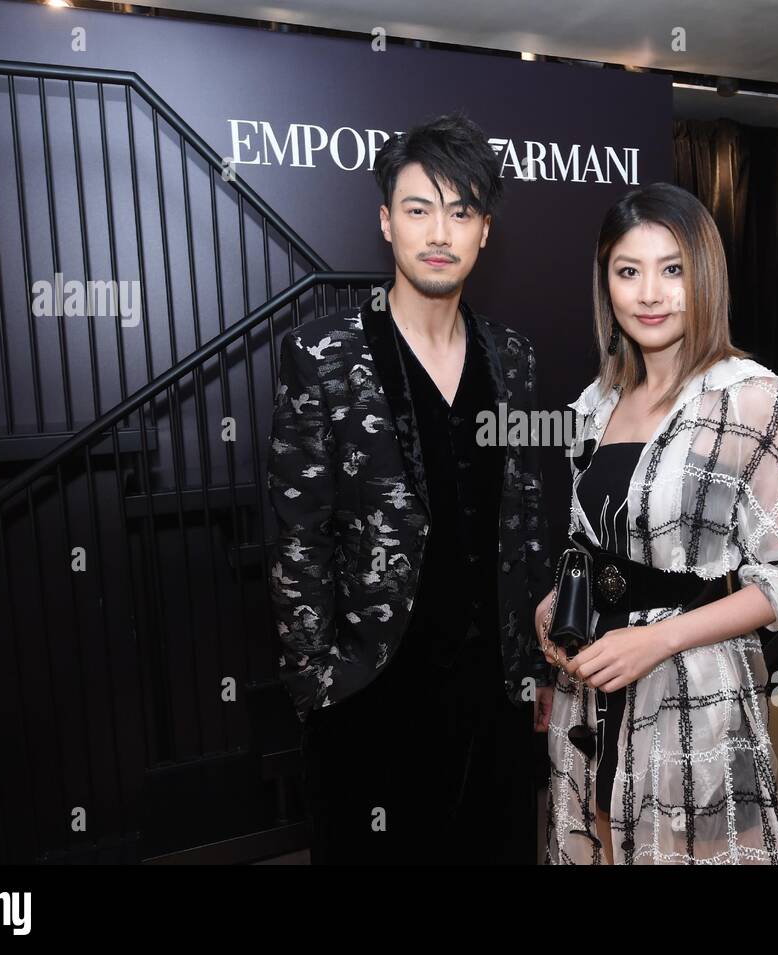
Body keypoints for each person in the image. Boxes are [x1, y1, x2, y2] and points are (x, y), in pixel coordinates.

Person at [267, 112, 554, 864]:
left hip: (494, 693)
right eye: (419, 208)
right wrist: (321, 685)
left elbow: (524, 520)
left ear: (484, 230)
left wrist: (532, 670)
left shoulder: (513, 359)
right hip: (372, 693)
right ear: (386, 220)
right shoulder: (324, 352)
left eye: (460, 212)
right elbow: (298, 536)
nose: (439, 231)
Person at [535, 182, 778, 865]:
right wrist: (556, 601)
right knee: (597, 836)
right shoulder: (595, 402)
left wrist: (661, 638)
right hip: (589, 688)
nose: (650, 292)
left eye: (672, 269)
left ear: (703, 275)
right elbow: (587, 545)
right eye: (628, 271)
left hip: (692, 691)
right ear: (605, 284)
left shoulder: (752, 397)